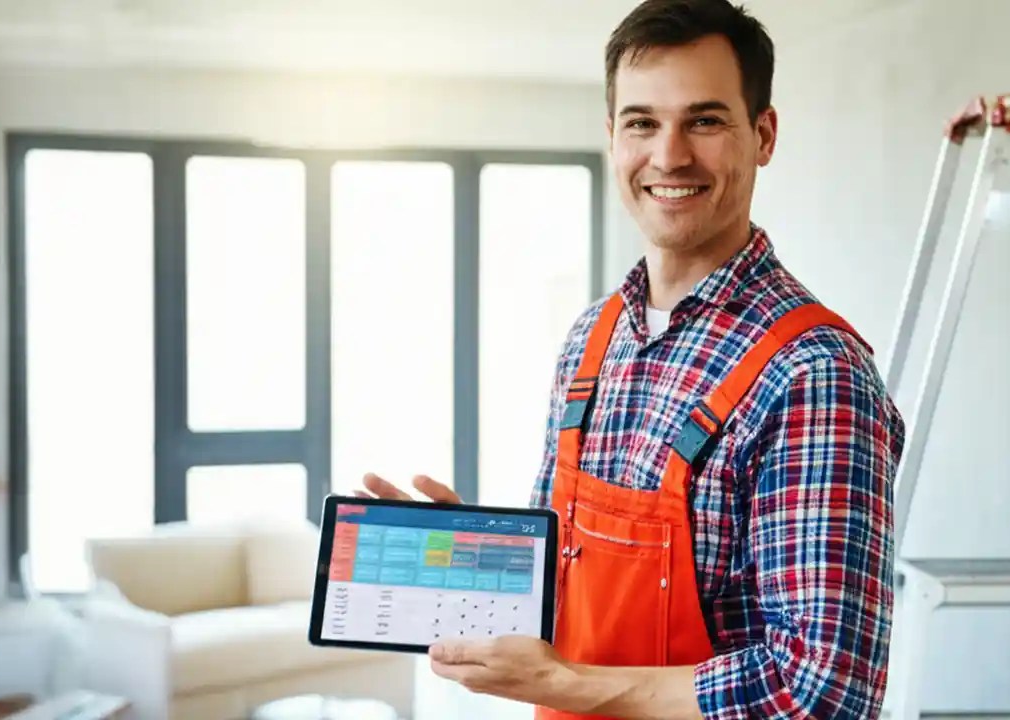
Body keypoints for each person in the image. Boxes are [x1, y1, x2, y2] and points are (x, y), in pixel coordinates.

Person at [359, 0, 906, 717]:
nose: (670, 155)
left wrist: (569, 687)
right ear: (613, 138)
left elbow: (825, 692)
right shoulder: (593, 339)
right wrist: (480, 571)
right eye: (643, 122)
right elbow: (566, 594)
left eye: (705, 120)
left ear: (763, 135)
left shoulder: (813, 373)